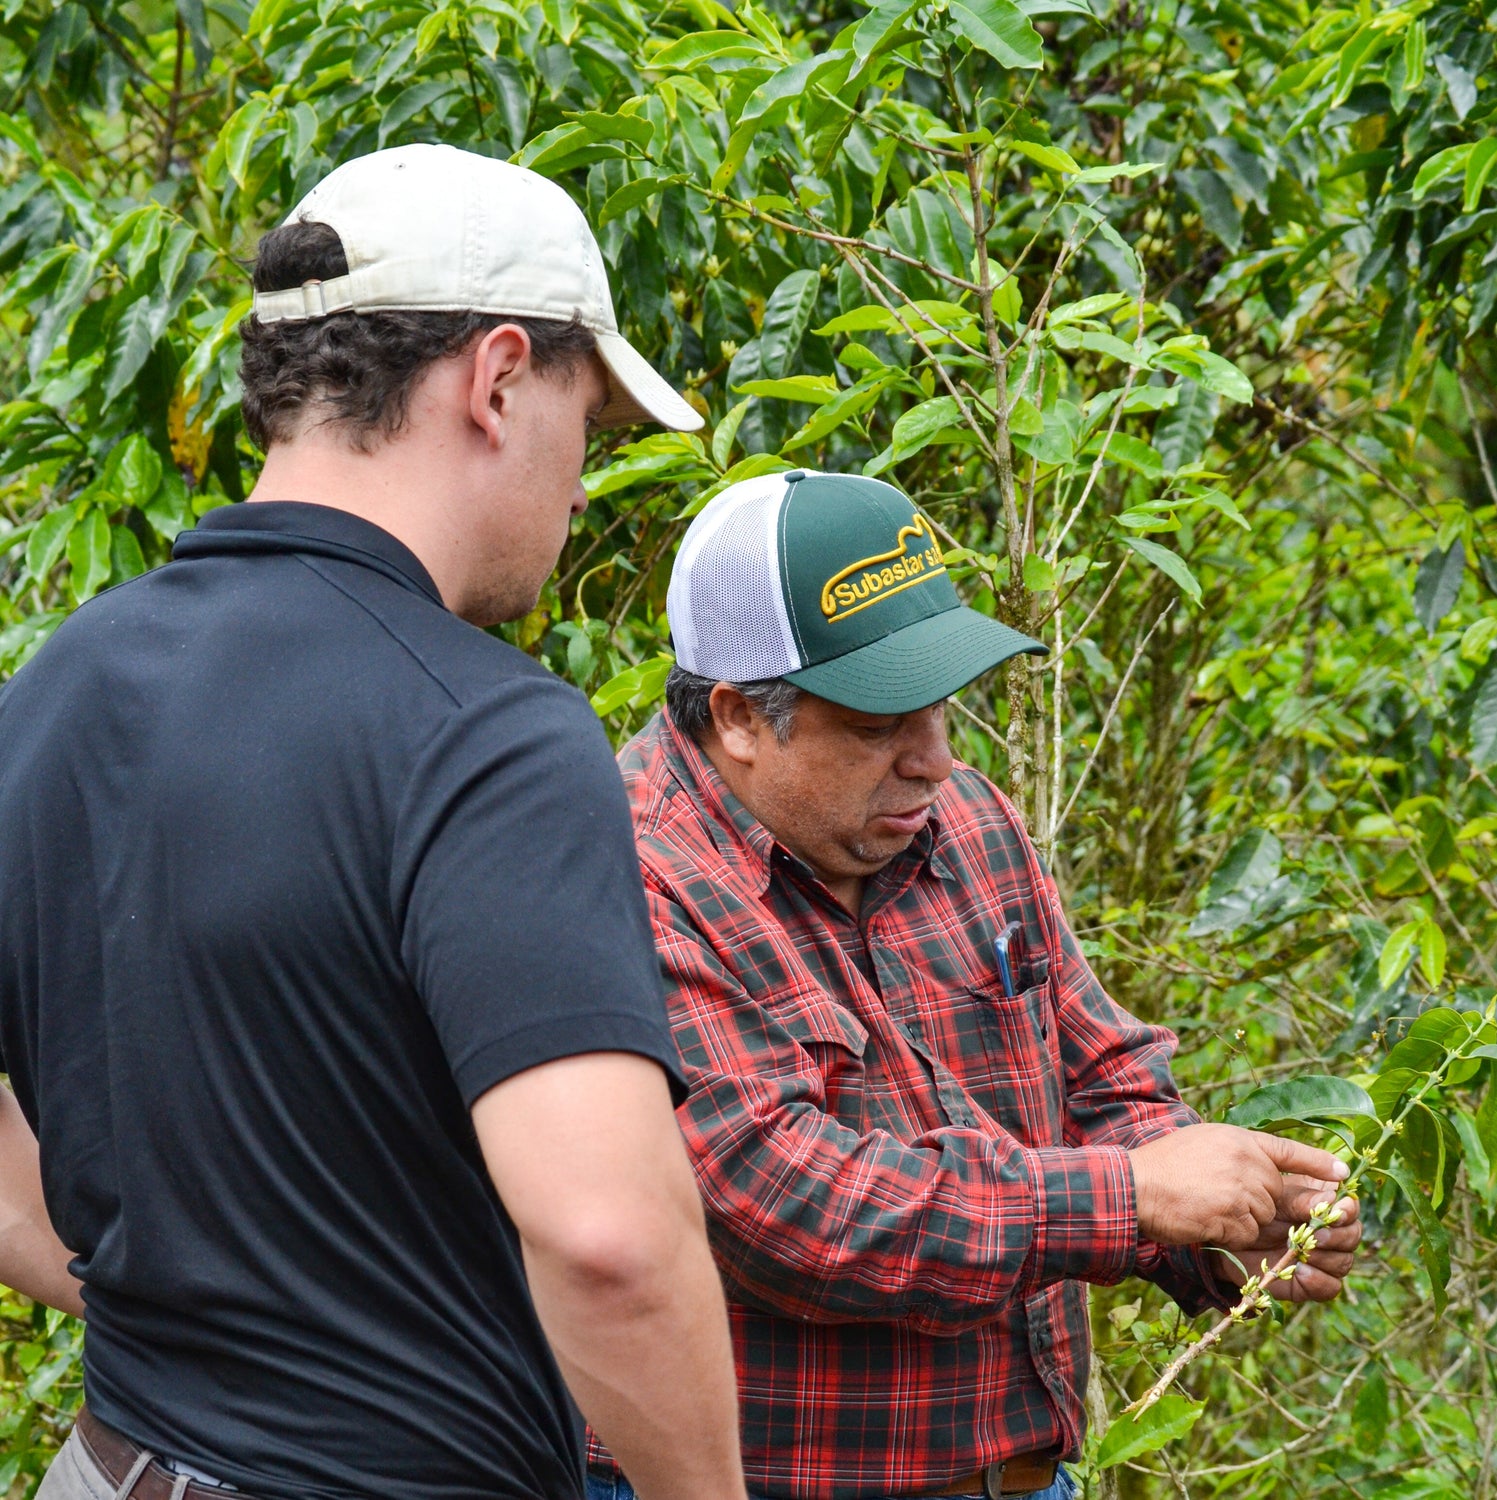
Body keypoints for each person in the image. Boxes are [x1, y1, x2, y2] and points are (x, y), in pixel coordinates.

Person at [0, 143, 746, 1500]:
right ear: (501, 377)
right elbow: (607, 1238)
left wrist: (220, 1313)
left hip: (110, 1470)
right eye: (591, 427)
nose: (584, 487)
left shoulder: (57, 686)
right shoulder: (484, 731)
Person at [587, 468, 1363, 1500]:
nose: (934, 761)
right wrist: (1132, 1199)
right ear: (736, 717)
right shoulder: (629, 876)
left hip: (1021, 1477)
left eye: (943, 710)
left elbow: (1099, 1072)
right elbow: (783, 1202)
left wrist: (1225, 1232)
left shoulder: (967, 823)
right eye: (878, 726)